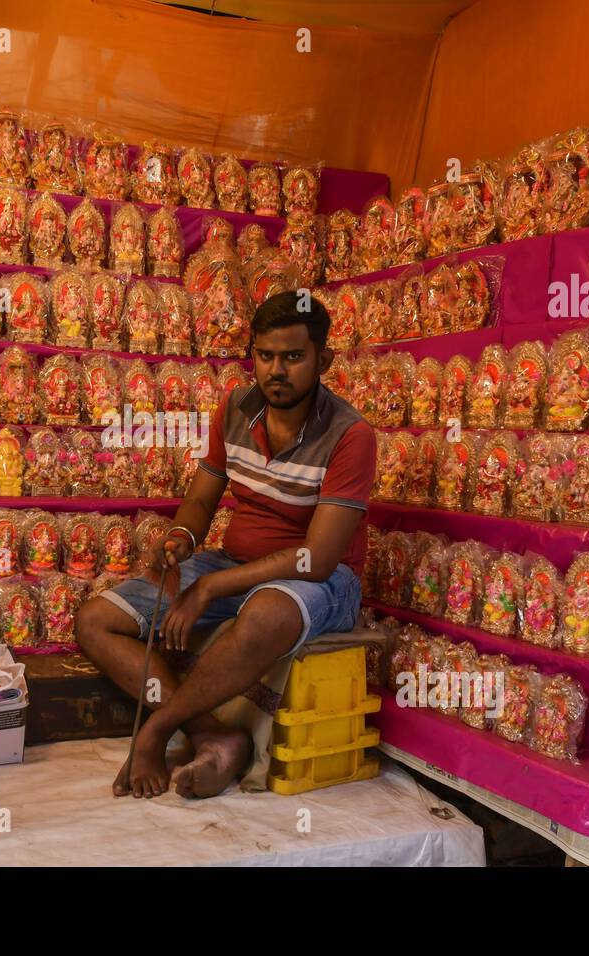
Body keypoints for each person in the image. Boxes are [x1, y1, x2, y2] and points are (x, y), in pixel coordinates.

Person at [75, 290, 376, 800]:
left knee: (264, 613)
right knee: (95, 620)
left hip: (321, 581)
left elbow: (316, 558)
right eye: (265, 356)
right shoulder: (237, 408)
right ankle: (210, 733)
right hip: (236, 564)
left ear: (322, 360)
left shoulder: (350, 434)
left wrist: (212, 585)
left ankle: (157, 728)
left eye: (293, 357)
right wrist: (180, 541)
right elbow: (201, 501)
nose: (276, 370)